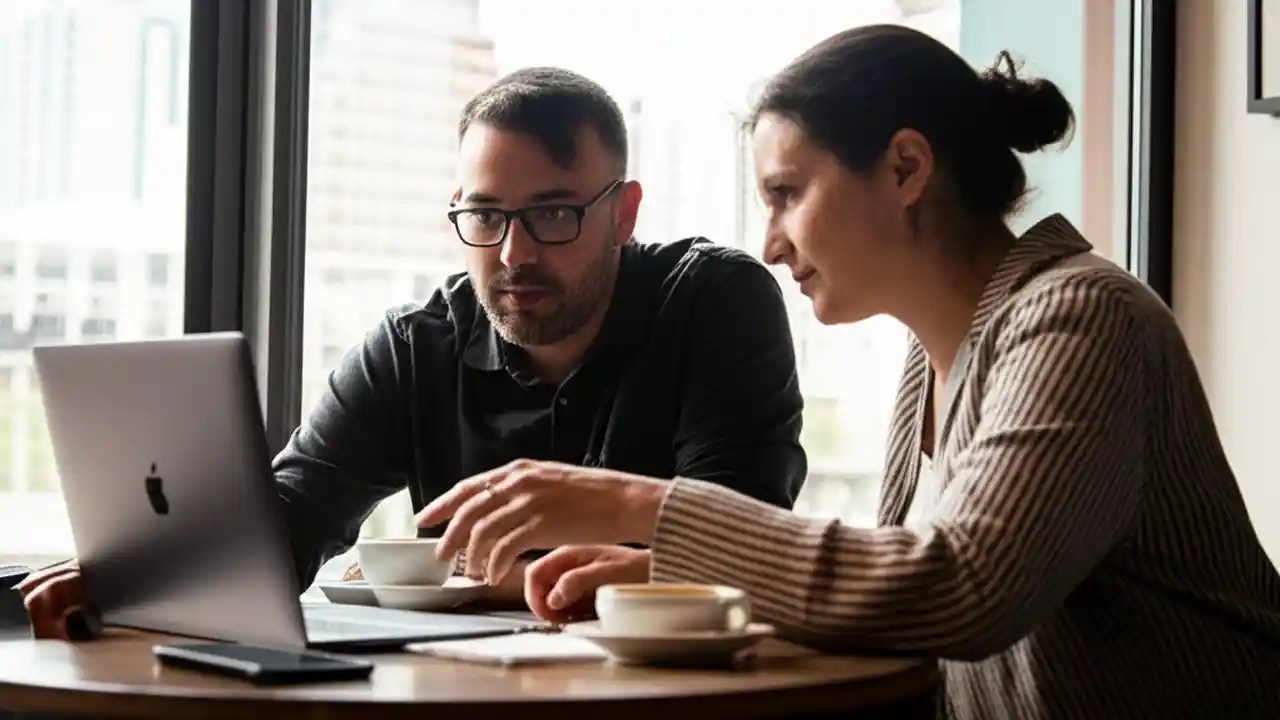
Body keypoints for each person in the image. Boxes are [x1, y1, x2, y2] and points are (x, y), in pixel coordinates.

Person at [416, 26, 1280, 718]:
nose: (770, 241)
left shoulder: (1082, 317)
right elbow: (900, 603)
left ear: (906, 168)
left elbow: (957, 586)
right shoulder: (937, 356)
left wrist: (637, 504)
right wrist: (690, 582)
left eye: (787, 192)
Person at [17, 67, 807, 637]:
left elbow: (745, 537)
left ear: (624, 212)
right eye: (486, 216)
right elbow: (289, 515)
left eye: (554, 215)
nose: (513, 253)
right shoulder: (416, 345)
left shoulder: (714, 302)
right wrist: (148, 571)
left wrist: (497, 575)